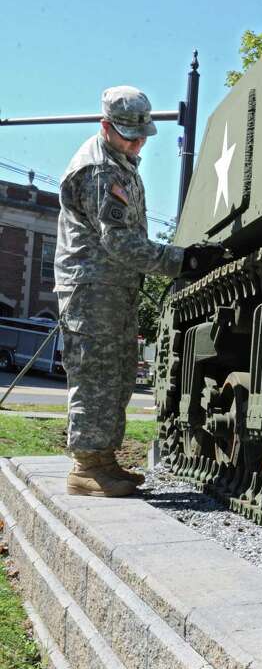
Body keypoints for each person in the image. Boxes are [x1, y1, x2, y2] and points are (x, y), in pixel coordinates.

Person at [56, 86, 224, 497]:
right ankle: (87, 468)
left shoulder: (119, 161)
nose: (137, 142)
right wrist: (185, 261)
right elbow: (119, 243)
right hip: (92, 289)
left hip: (111, 286)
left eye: (141, 134)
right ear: (105, 127)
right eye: (129, 134)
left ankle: (104, 460)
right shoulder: (100, 171)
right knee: (96, 376)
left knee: (117, 375)